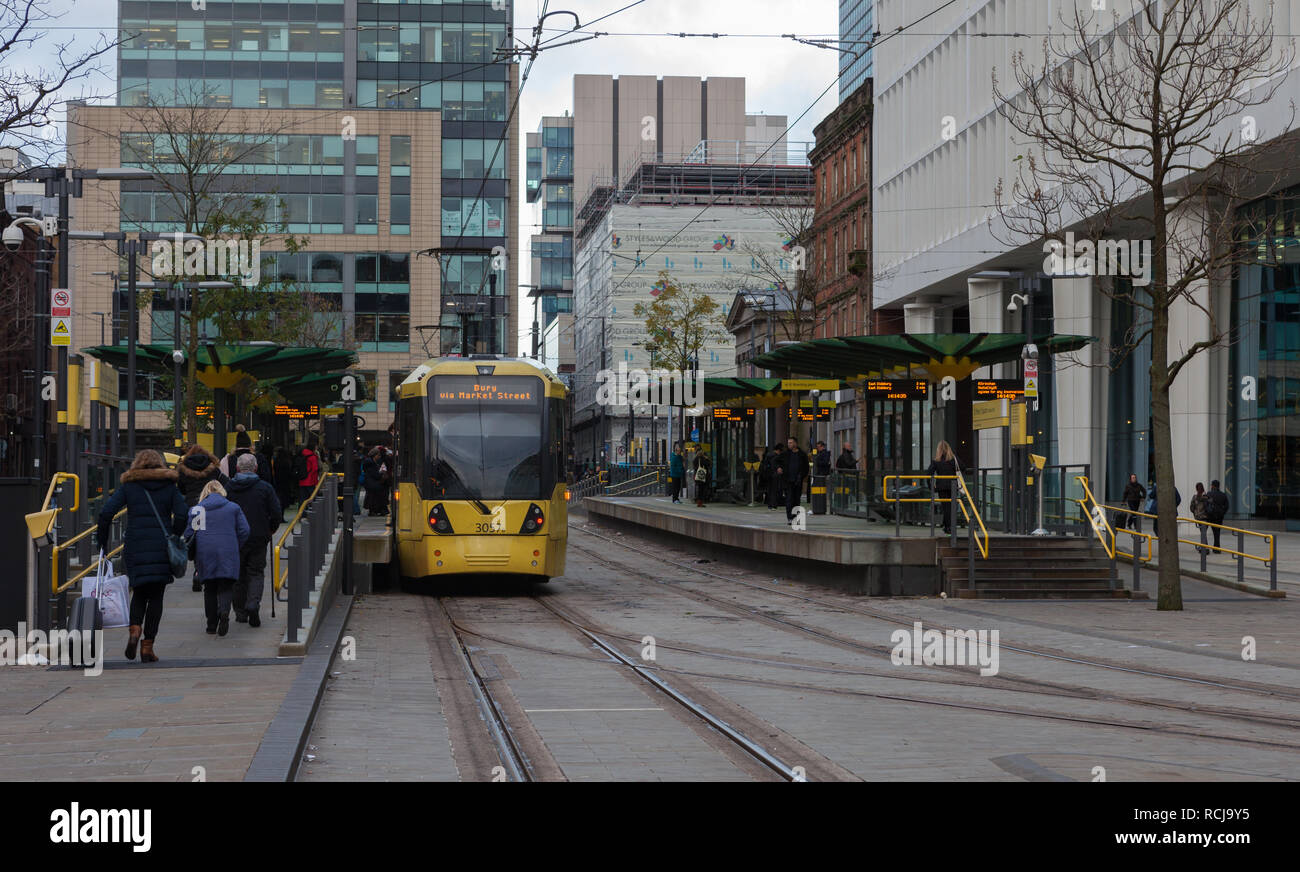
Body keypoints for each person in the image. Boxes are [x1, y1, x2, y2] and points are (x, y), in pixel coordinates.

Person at [95, 450, 188, 663]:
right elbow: (183, 513)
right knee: (156, 596)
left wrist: (103, 541)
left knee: (139, 591)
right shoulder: (169, 486)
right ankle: (148, 646)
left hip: (135, 545)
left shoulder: (130, 486)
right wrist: (174, 533)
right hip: (161, 546)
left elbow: (106, 512)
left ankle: (134, 630)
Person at [185, 480, 249, 637]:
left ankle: (211, 625)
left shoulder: (198, 509)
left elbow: (190, 533)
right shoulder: (232, 508)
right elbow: (244, 530)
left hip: (205, 552)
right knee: (226, 585)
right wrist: (235, 544)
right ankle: (225, 611)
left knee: (210, 588)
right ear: (222, 491)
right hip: (228, 550)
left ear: (204, 493)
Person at [225, 453, 282, 627]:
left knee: (238, 574)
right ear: (256, 468)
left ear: (236, 468)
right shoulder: (265, 488)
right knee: (256, 572)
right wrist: (271, 528)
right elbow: (276, 512)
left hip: (235, 538)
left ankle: (240, 612)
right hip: (258, 536)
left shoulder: (228, 487)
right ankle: (253, 604)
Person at [176, 443, 230, 591]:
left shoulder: (183, 469)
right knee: (210, 538)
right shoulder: (213, 469)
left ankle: (198, 571)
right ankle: (208, 570)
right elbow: (225, 483)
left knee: (196, 539)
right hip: (211, 507)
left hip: (194, 509)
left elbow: (180, 488)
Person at [926, 440, 958, 535]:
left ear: (938, 450)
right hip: (953, 485)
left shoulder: (936, 461)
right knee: (952, 507)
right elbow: (963, 467)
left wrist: (931, 487)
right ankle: (947, 526)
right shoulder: (953, 459)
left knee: (946, 507)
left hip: (942, 487)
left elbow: (928, 474)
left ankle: (948, 527)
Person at [778, 437, 808, 523]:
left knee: (796, 500)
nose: (789, 444)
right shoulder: (785, 454)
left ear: (795, 444)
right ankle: (790, 517)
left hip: (797, 481)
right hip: (788, 481)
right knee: (789, 499)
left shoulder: (802, 454)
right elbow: (775, 461)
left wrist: (802, 476)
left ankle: (796, 517)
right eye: (788, 443)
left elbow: (806, 467)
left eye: (791, 443)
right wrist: (778, 468)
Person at [362, 446, 390, 516]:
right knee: (378, 494)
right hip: (372, 483)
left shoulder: (370, 462)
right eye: (378, 455)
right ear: (374, 455)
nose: (379, 457)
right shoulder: (370, 463)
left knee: (374, 496)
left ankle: (377, 510)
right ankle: (377, 510)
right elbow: (374, 474)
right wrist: (381, 475)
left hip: (371, 482)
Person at [272, 446, 297, 520]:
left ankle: (279, 515)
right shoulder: (286, 461)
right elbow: (289, 472)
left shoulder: (276, 461)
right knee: (283, 500)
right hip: (285, 482)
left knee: (279, 499)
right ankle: (281, 515)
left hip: (277, 482)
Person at [296, 434, 322, 504]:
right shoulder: (312, 456)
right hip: (310, 481)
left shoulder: (302, 453)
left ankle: (301, 514)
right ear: (315, 446)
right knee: (313, 499)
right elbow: (315, 468)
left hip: (302, 480)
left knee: (302, 499)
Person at [1205, 480, 1229, 549]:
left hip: (1210, 516)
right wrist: (1222, 513)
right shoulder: (1223, 495)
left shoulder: (1209, 494)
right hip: (1219, 517)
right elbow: (1227, 506)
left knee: (1204, 531)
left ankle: (1205, 548)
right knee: (1217, 533)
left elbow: (1206, 504)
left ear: (1213, 486)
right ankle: (1216, 548)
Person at [766, 444, 786, 510]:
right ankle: (774, 504)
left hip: (769, 474)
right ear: (778, 450)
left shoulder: (768, 455)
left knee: (770, 489)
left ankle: (769, 505)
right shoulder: (776, 456)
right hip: (775, 474)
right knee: (775, 490)